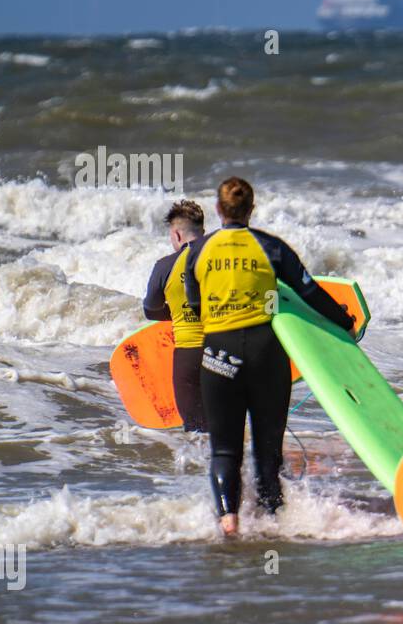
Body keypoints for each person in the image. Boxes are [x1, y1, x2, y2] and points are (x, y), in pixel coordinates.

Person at [185, 177, 356, 536]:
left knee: (225, 450)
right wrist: (344, 320)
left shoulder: (198, 251)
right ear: (251, 209)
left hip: (219, 356)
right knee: (267, 449)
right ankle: (272, 523)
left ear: (219, 210)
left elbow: (196, 306)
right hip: (265, 355)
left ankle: (229, 522)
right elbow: (310, 291)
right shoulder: (270, 247)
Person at [142, 200, 207, 432]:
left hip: (189, 354)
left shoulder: (165, 266)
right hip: (225, 350)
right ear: (203, 231)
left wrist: (181, 312)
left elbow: (151, 309)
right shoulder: (221, 261)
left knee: (197, 430)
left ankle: (202, 468)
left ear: (177, 235)